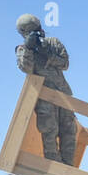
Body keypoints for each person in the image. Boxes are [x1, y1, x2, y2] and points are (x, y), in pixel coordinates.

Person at [15, 14, 77, 164]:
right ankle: (55, 171)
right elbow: (26, 68)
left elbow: (65, 64)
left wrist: (46, 52)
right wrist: (29, 48)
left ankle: (68, 170)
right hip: (44, 100)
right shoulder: (23, 50)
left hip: (64, 95)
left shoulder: (52, 43)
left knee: (69, 132)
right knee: (49, 133)